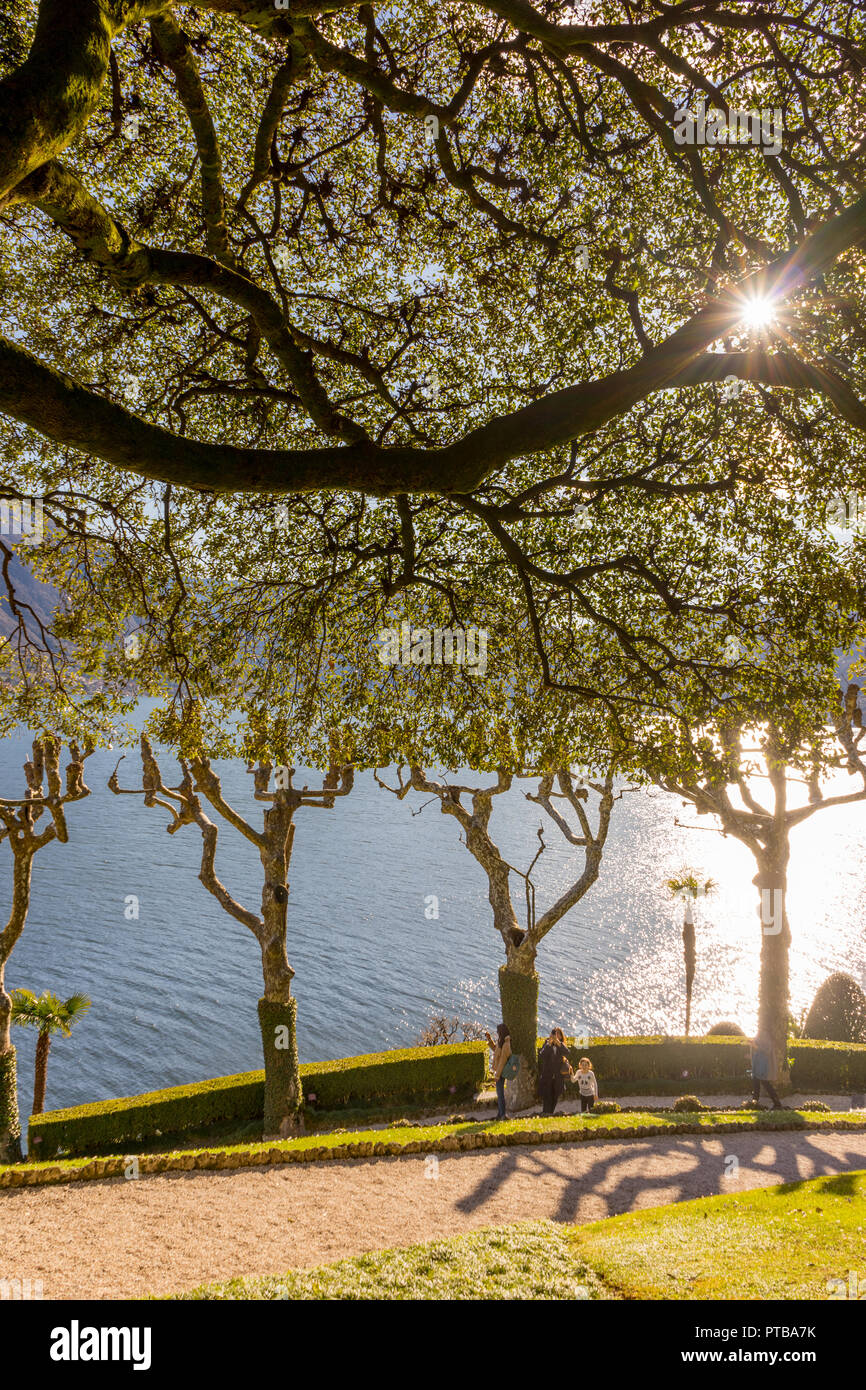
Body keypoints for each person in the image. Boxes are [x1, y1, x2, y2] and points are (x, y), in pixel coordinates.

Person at [539, 1026, 573, 1115]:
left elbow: (567, 1052)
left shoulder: (561, 1044)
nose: (556, 1036)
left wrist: (558, 1043)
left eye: (558, 1034)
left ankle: (550, 1113)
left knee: (555, 1095)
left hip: (558, 1076)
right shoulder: (547, 1043)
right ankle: (545, 1113)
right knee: (547, 1096)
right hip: (548, 1075)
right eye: (554, 1033)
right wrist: (549, 1044)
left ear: (561, 1036)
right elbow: (542, 1055)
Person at [749, 1031, 784, 1109]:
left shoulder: (766, 1038)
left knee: (765, 1084)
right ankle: (755, 1103)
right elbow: (755, 1049)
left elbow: (767, 1050)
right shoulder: (759, 1036)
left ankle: (777, 1103)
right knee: (756, 1084)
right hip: (757, 1064)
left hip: (764, 1066)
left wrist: (755, 1046)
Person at [484, 1023, 512, 1120]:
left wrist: (497, 1075)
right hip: (499, 1071)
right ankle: (500, 1114)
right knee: (499, 1093)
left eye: (498, 1031)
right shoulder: (502, 1042)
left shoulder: (506, 1045)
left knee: (500, 1094)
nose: (497, 1033)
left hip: (501, 1072)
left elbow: (502, 1062)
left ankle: (502, 1114)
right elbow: (496, 1050)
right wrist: (489, 1039)